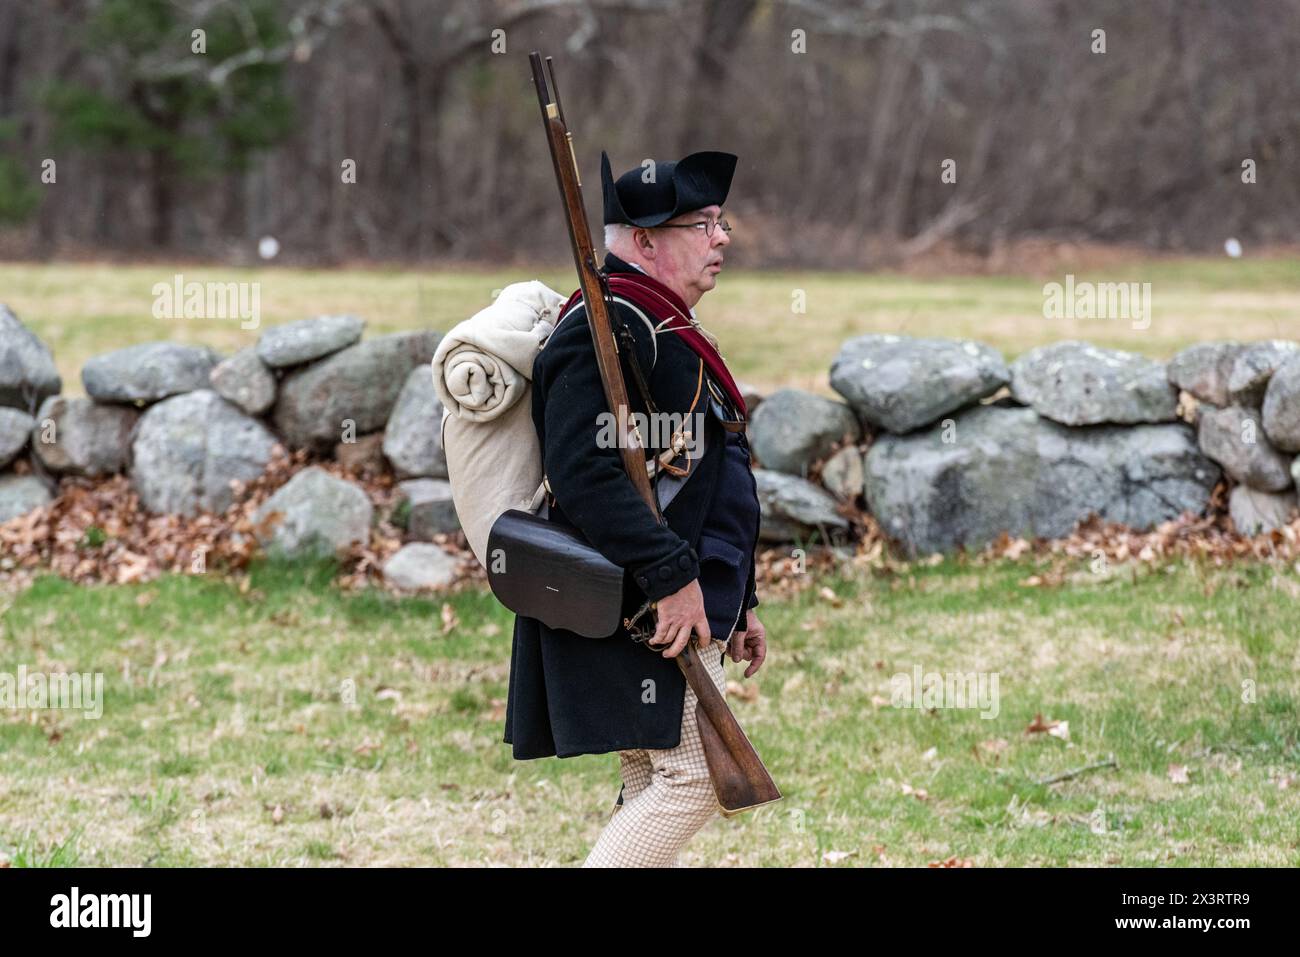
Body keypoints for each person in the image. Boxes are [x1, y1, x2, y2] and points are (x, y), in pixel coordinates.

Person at [502, 149, 768, 867]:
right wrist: (672, 576)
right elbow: (583, 472)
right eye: (703, 224)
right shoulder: (603, 328)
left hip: (671, 596)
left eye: (720, 223)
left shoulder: (651, 321)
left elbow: (704, 472)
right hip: (638, 599)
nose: (722, 239)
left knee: (655, 776)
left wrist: (736, 601)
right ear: (646, 241)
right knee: (687, 784)